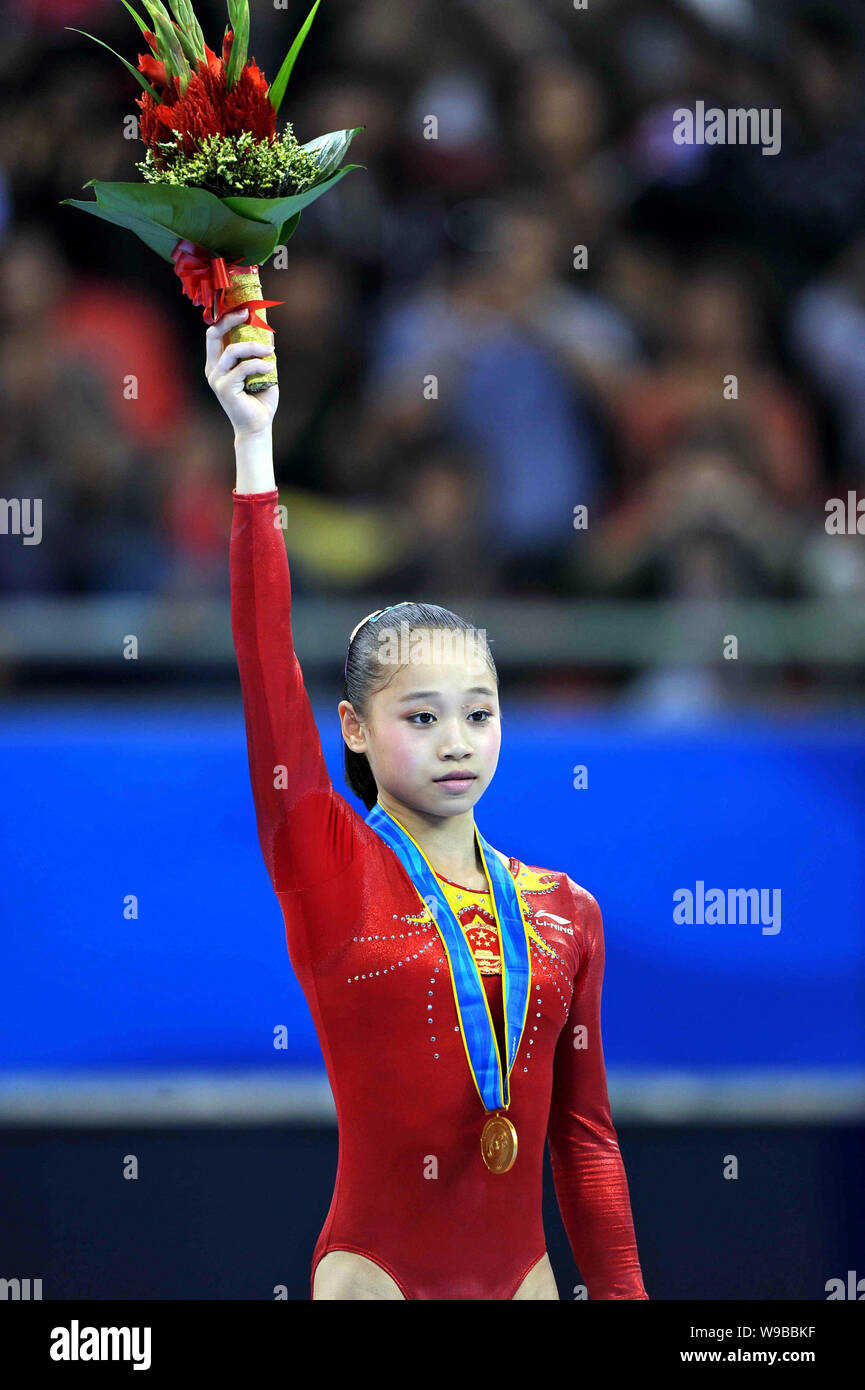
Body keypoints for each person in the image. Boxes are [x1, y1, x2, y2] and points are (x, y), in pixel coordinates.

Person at [207, 306, 649, 1301]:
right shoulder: (326, 863)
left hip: (526, 1280)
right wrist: (252, 442)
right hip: (379, 1276)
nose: (456, 741)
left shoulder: (565, 910)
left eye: (477, 713)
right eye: (420, 715)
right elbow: (264, 659)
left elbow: (584, 1143)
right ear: (355, 730)